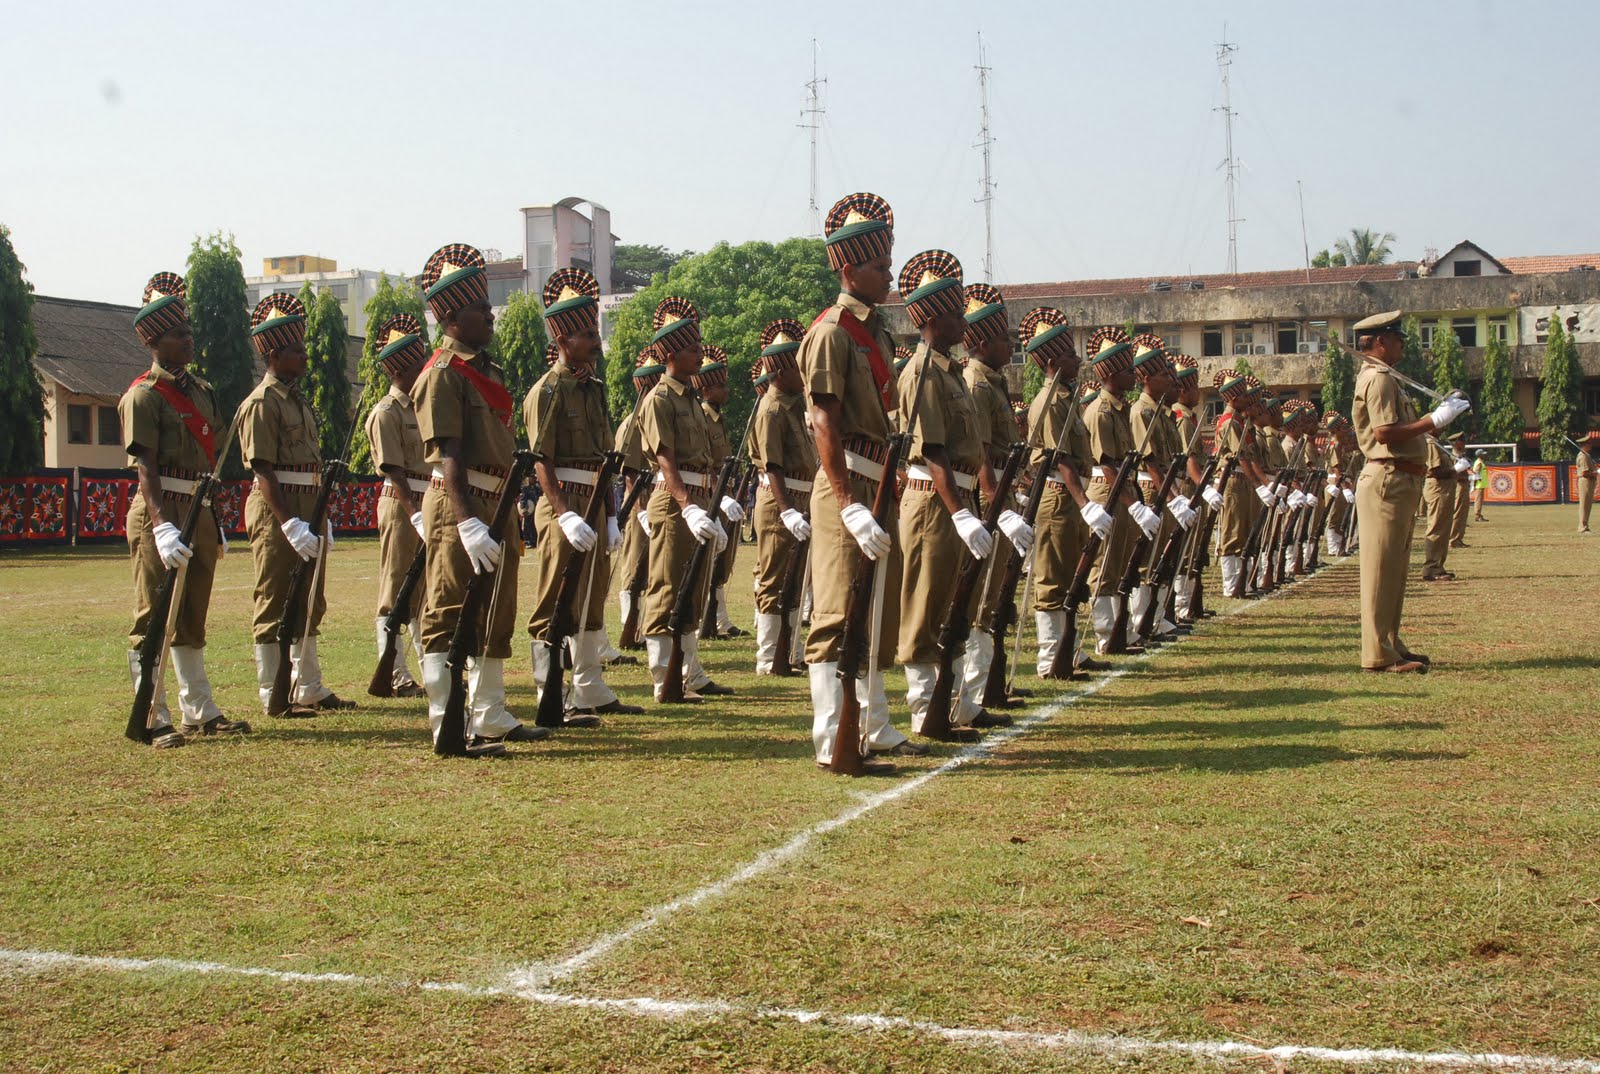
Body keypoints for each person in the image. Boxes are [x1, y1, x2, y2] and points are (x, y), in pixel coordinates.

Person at [412, 242, 548, 756]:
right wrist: (468, 521)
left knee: (497, 607)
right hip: (459, 502)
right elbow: (447, 452)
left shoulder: (487, 370)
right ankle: (445, 721)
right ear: (449, 316)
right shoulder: (443, 372)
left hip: (497, 500)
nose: (490, 314)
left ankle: (489, 713)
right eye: (478, 308)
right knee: (449, 609)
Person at [800, 191, 920, 773]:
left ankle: (870, 723)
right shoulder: (832, 332)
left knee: (871, 611)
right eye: (879, 266)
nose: (889, 275)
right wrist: (847, 502)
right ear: (848, 269)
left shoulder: (876, 333)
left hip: (878, 480)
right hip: (848, 482)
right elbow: (824, 418)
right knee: (837, 611)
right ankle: (833, 741)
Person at [119, 272, 249, 747]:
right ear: (154, 340)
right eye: (178, 334)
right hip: (162, 511)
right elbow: (146, 468)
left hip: (198, 507)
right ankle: (150, 713)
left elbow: (207, 462)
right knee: (154, 614)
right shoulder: (143, 396)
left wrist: (212, 515)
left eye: (189, 331)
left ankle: (198, 708)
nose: (188, 339)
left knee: (192, 613)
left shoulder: (202, 391)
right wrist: (160, 527)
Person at [894, 251, 1007, 738]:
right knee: (926, 605)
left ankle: (956, 705)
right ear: (935, 317)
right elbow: (933, 448)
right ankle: (924, 710)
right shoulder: (922, 371)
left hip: (957, 499)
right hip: (935, 501)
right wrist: (960, 512)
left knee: (955, 604)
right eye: (957, 312)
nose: (965, 321)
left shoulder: (951, 371)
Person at [524, 267, 641, 725]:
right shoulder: (547, 391)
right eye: (587, 333)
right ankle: (546, 693)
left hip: (593, 503)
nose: (596, 340)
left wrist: (610, 515)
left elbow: (604, 460)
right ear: (564, 339)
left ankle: (588, 687)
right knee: (555, 602)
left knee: (592, 597)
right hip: (565, 509)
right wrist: (563, 513)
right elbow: (541, 459)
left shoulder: (592, 387)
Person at [238, 293, 354, 715]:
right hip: (278, 509)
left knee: (309, 600)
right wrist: (289, 523)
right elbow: (264, 470)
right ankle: (274, 691)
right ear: (273, 354)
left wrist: (319, 519)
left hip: (308, 505)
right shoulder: (261, 403)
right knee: (275, 598)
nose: (305, 356)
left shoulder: (298, 400)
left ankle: (308, 686)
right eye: (296, 349)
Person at [1350, 310, 1470, 673]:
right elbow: (1386, 433)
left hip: (1400, 480)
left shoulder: (1389, 379)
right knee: (1380, 570)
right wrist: (1436, 420)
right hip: (1387, 478)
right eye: (1398, 336)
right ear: (1382, 341)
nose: (1403, 342)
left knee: (1396, 571)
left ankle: (1390, 643)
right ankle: (1377, 654)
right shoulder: (1379, 379)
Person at [638, 297, 735, 701]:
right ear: (673, 352)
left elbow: (704, 462)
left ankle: (690, 671)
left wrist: (713, 501)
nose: (700, 355)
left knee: (692, 588)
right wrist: (688, 505)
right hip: (674, 500)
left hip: (697, 499)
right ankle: (665, 675)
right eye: (693, 348)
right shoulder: (659, 399)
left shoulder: (690, 400)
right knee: (667, 586)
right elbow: (666, 459)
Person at [1017, 308, 1110, 678]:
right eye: (1071, 355)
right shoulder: (1049, 401)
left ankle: (1070, 651)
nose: (1079, 360)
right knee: (1052, 577)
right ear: (1054, 361)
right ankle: (1049, 658)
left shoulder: (1067, 398)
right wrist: (1085, 503)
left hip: (1069, 495)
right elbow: (1061, 459)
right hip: (1057, 494)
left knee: (1071, 573)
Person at [957, 283, 1034, 717]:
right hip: (991, 495)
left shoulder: (994, 382)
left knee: (998, 592)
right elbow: (982, 452)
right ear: (983, 341)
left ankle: (989, 685)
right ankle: (977, 688)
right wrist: (997, 505)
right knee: (984, 594)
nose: (1011, 343)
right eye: (1004, 336)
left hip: (1004, 489)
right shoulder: (977, 383)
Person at [1081, 327, 1161, 653]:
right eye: (1129, 369)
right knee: (1104, 567)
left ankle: (1121, 632)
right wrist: (1134, 504)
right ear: (1112, 373)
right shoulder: (1100, 412)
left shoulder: (1119, 408)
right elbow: (1108, 466)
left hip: (1122, 492)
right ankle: (1105, 636)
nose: (1134, 374)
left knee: (1120, 565)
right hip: (1107, 492)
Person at [365, 313, 432, 698]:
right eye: (417, 360)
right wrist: (416, 512)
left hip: (427, 503)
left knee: (425, 591)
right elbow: (394, 471)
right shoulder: (386, 413)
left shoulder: (424, 407)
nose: (424, 366)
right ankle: (394, 673)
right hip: (401, 503)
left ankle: (429, 666)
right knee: (396, 587)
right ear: (400, 366)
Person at [750, 319, 816, 674]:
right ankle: (767, 657)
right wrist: (788, 510)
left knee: (796, 578)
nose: (803, 372)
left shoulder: (793, 406)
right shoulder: (772, 409)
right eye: (796, 365)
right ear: (778, 370)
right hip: (781, 502)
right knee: (775, 578)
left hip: (800, 500)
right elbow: (773, 466)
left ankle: (789, 652)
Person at [1126, 335, 1195, 642]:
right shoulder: (1141, 412)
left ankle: (1156, 619)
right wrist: (1172, 497)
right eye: (1164, 375)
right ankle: (1142, 622)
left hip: (1166, 488)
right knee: (1147, 560)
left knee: (1163, 556)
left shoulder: (1161, 413)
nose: (1171, 381)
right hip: (1153, 489)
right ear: (1146, 378)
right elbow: (1151, 461)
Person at [693, 344, 747, 639]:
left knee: (719, 562)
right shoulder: (701, 416)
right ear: (707, 388)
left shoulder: (716, 415)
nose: (727, 391)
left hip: (719, 495)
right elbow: (707, 465)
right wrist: (720, 496)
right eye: (721, 385)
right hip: (708, 497)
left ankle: (719, 621)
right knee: (708, 560)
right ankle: (708, 620)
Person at [615, 350, 664, 647]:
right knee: (634, 569)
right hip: (638, 502)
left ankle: (642, 626)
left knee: (651, 569)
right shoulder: (633, 423)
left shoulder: (653, 415)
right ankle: (628, 627)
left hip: (652, 498)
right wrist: (642, 511)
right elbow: (631, 473)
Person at [1211, 370, 1269, 598]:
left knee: (1243, 531)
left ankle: (1242, 583)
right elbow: (1241, 457)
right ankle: (1231, 585)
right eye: (1243, 396)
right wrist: (1260, 486)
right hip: (1233, 480)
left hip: (1241, 480)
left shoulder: (1237, 422)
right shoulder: (1229, 424)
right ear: (1234, 399)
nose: (1248, 400)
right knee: (1233, 533)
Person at [1420, 434, 1457, 581]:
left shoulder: (1436, 443)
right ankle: (1431, 568)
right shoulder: (1431, 444)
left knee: (1443, 527)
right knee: (1436, 527)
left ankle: (1438, 566)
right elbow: (1434, 471)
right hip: (1438, 487)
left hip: (1444, 487)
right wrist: (1455, 470)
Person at [1448, 433, 1472, 548]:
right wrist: (1466, 477)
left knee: (1463, 513)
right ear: (1456, 443)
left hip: (1464, 485)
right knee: (1458, 513)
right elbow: (1452, 474)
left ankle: (1458, 538)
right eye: (1462, 441)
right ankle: (1453, 539)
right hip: (1459, 486)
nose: (1465, 443)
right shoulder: (1453, 457)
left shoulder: (1461, 456)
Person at [1576, 435, 1596, 534]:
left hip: (1589, 481)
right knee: (1584, 505)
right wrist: (1597, 472)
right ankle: (1582, 527)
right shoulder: (1583, 456)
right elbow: (1585, 472)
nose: (1591, 445)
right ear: (1584, 445)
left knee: (1587, 505)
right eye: (1589, 443)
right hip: (1585, 481)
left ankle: (1585, 526)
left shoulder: (1587, 455)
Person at [1471, 449, 1489, 521]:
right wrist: (1475, 483)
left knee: (1479, 500)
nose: (1484, 455)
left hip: (1481, 484)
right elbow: (1476, 473)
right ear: (1480, 455)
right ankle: (1477, 515)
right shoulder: (1479, 463)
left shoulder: (1479, 462)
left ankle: (1478, 514)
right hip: (1480, 484)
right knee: (1478, 500)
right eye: (1483, 454)